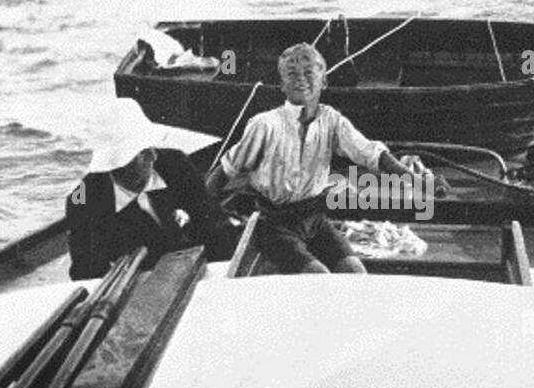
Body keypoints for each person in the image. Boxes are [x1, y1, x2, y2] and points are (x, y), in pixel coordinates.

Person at [206, 42, 427, 274]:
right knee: (318, 274)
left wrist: (414, 180)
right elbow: (225, 171)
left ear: (324, 81)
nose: (300, 79)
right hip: (274, 224)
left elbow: (371, 153)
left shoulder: (331, 120)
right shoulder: (265, 124)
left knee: (356, 272)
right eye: (291, 74)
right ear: (282, 85)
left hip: (315, 219)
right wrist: (206, 217)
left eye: (309, 73)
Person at [67, 98, 217, 280]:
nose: (153, 156)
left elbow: (214, 227)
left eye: (151, 147)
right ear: (116, 165)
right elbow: (87, 272)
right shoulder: (84, 201)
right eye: (143, 151)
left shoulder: (177, 165)